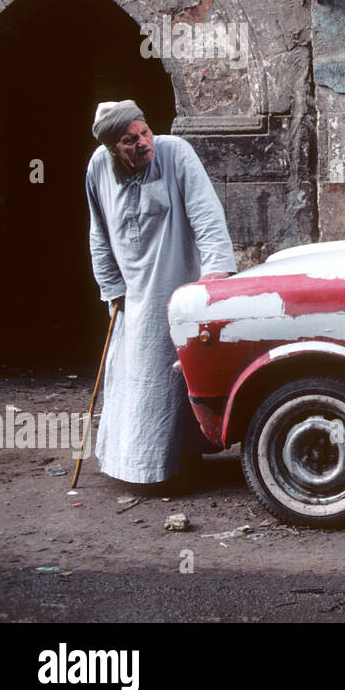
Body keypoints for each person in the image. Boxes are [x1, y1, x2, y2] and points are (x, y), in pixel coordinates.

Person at [85, 100, 236, 485]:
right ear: (111, 149)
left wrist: (214, 277)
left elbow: (207, 215)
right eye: (129, 140)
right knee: (137, 375)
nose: (142, 142)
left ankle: (177, 464)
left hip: (177, 281)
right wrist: (111, 288)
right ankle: (137, 464)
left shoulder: (175, 153)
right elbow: (99, 232)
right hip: (132, 291)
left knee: (176, 372)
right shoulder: (97, 168)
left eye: (144, 132)